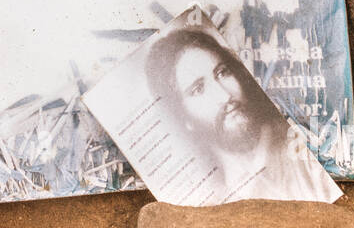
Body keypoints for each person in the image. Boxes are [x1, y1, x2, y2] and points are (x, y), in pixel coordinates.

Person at [145, 23, 339, 203]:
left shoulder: (305, 146)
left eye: (222, 73)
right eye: (198, 89)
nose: (224, 95)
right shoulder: (208, 198)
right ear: (183, 117)